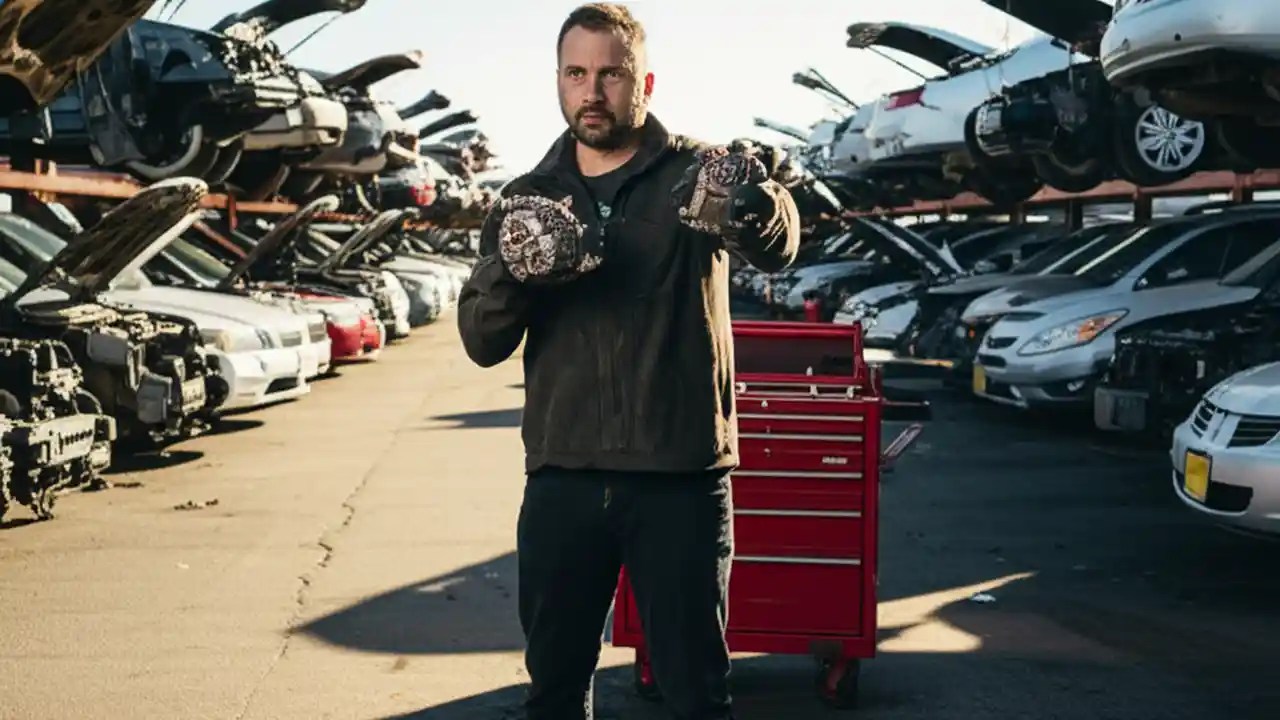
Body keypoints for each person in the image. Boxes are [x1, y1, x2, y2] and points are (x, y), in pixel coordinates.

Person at [456, 4, 800, 719]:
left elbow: (780, 241)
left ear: (644, 80)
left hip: (678, 477)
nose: (592, 91)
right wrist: (518, 266)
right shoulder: (528, 196)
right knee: (552, 692)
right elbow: (482, 341)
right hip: (564, 478)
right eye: (576, 73)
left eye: (609, 74)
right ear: (557, 79)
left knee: (697, 695)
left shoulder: (702, 174)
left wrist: (755, 207)